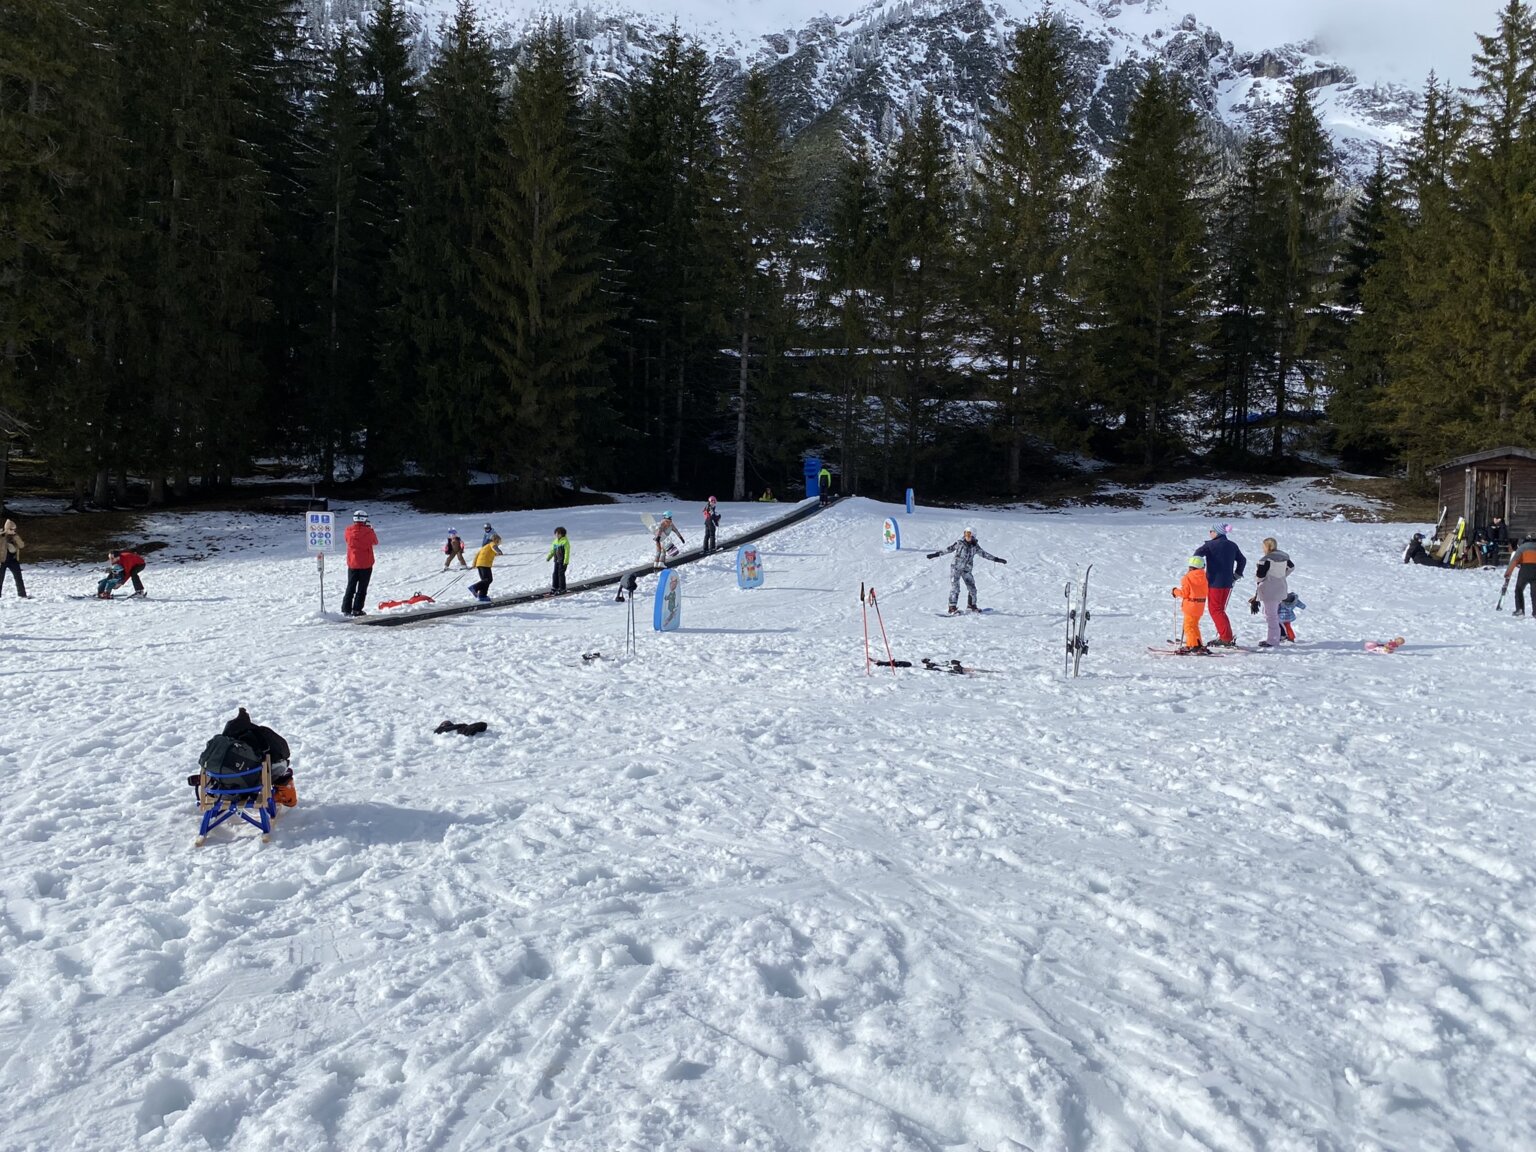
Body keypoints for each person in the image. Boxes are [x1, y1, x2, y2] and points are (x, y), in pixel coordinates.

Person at [186, 706, 297, 808]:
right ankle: (287, 797)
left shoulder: (221, 745)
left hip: (219, 791)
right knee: (281, 767)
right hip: (249, 788)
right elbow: (283, 754)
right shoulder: (260, 737)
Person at [927, 527, 1006, 614]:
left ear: (973, 536)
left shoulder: (975, 547)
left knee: (972, 588)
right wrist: (936, 554)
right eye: (965, 534)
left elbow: (984, 554)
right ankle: (952, 608)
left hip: (966, 570)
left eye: (969, 534)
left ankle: (971, 606)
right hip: (956, 568)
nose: (967, 536)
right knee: (955, 588)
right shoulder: (959, 543)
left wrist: (996, 559)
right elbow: (949, 549)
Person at [1193, 524, 1245, 647]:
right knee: (1220, 610)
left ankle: (1226, 638)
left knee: (1215, 610)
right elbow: (1243, 560)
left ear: (1217, 533)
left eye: (1211, 531)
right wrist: (1237, 575)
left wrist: (1196, 569)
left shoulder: (1210, 545)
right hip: (1228, 582)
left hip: (1214, 583)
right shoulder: (1232, 545)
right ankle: (1225, 636)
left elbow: (1196, 554)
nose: (1209, 533)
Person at [1251, 537, 1294, 648]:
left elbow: (1259, 577)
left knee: (1271, 616)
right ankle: (1282, 633)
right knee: (1271, 613)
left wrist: (1257, 578)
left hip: (1269, 590)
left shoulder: (1265, 560)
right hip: (1281, 588)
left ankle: (1273, 640)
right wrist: (1282, 576)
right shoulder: (1284, 557)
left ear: (1266, 547)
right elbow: (1291, 567)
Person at [341, 510, 377, 617]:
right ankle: (357, 609)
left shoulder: (348, 530)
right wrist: (371, 529)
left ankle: (346, 609)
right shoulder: (369, 531)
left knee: (350, 586)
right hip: (366, 563)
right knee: (362, 588)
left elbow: (347, 540)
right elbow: (375, 541)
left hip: (352, 563)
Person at [1171, 555, 1209, 653]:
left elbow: (1184, 593)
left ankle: (1192, 645)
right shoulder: (1205, 577)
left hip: (1190, 606)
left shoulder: (1187, 578)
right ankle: (1198, 643)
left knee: (1188, 626)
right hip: (1200, 606)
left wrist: (1175, 591)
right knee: (1194, 625)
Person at [1503, 535, 1536, 616]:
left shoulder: (1522, 548)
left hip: (1525, 570)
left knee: (1519, 589)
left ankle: (1520, 609)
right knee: (1534, 592)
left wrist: (1508, 573)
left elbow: (1514, 561)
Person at [469, 534, 501, 602]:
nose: (498, 544)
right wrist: (498, 551)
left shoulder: (485, 546)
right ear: (495, 540)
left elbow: (477, 554)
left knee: (485, 581)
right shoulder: (492, 543)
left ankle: (482, 595)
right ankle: (474, 587)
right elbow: (494, 547)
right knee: (488, 580)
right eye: (498, 542)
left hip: (480, 564)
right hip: (485, 564)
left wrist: (474, 564)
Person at [1, 518, 27, 598]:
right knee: (0, 579)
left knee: (19, 578)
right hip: (2, 560)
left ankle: (22, 595)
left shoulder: (15, 537)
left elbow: (22, 546)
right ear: (7, 529)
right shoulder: (1, 537)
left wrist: (16, 538)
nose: (14, 531)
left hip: (13, 560)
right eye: (12, 529)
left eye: (15, 529)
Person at [547, 526, 570, 593]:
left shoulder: (565, 542)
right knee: (555, 573)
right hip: (556, 560)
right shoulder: (555, 541)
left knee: (561, 574)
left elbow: (567, 552)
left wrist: (566, 561)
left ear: (562, 534)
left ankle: (562, 588)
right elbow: (553, 550)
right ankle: (555, 587)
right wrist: (549, 557)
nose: (556, 535)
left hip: (563, 561)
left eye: (558, 534)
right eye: (556, 533)